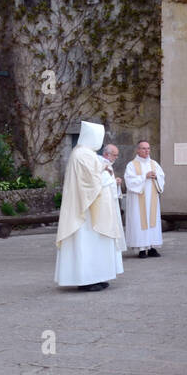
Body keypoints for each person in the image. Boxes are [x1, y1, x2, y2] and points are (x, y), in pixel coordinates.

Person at [55, 121, 124, 291]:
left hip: (94, 208)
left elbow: (97, 171)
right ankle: (86, 280)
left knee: (95, 244)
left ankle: (97, 276)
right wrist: (107, 176)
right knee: (86, 244)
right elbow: (91, 182)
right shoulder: (81, 154)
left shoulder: (86, 154)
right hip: (85, 211)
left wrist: (104, 170)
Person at [123, 139, 165, 258]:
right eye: (143, 148)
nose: (147, 151)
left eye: (148, 148)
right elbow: (129, 181)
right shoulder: (131, 165)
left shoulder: (154, 164)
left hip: (152, 200)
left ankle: (152, 248)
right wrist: (144, 176)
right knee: (139, 222)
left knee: (152, 222)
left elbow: (162, 176)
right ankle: (142, 249)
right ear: (138, 150)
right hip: (138, 200)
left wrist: (157, 177)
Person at [100, 144, 128, 254]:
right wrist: (113, 182)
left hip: (112, 201)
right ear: (106, 154)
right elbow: (100, 183)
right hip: (105, 203)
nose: (116, 157)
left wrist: (116, 183)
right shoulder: (101, 164)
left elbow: (108, 182)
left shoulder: (108, 165)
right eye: (114, 155)